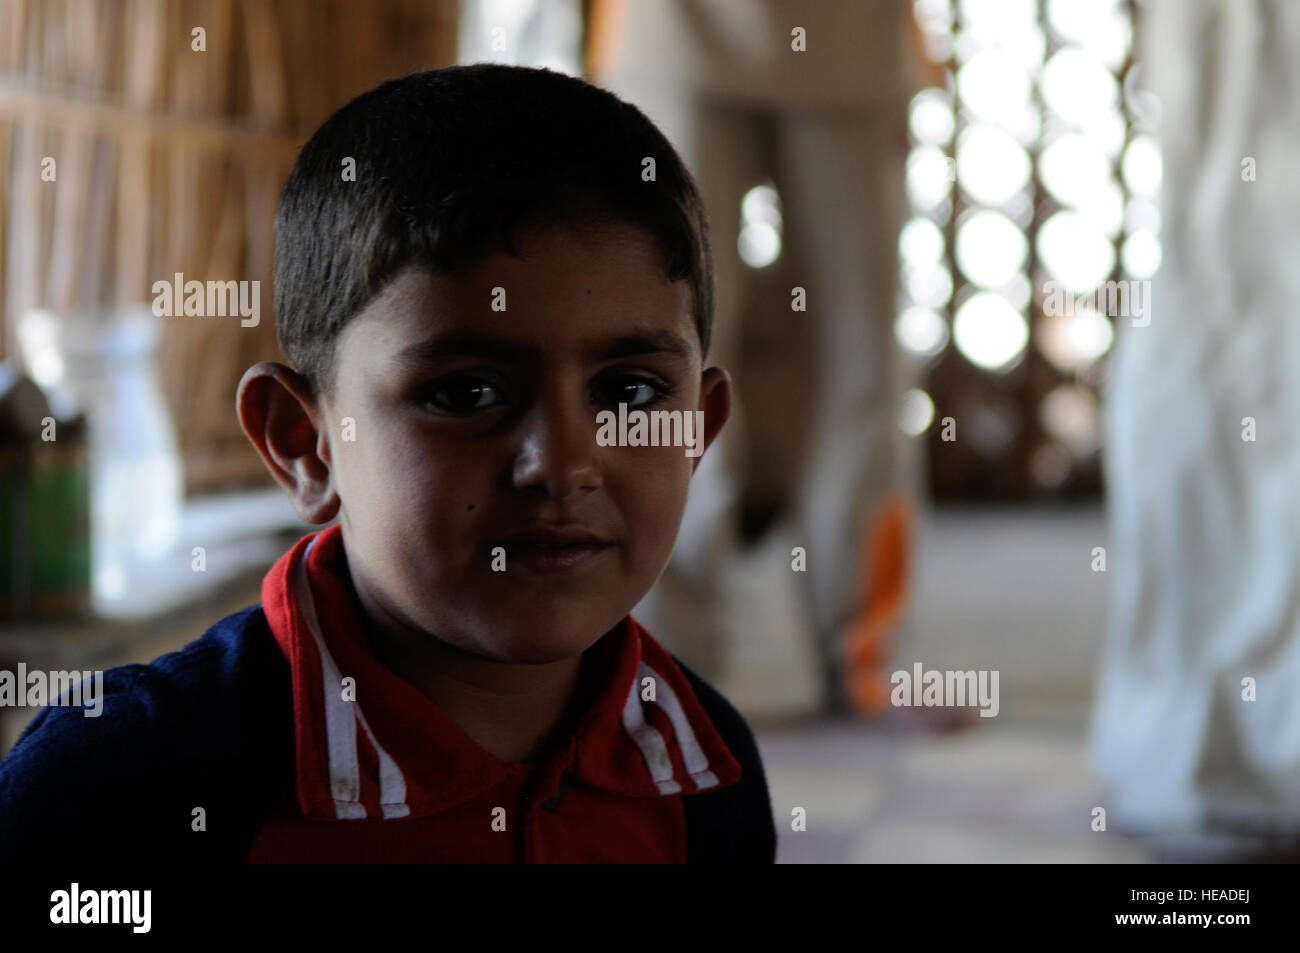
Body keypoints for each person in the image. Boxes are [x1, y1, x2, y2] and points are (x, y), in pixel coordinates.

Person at [0, 64, 777, 863]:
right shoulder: (119, 794)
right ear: (304, 443)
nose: (563, 464)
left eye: (629, 389)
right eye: (468, 392)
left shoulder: (704, 774)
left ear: (698, 429)